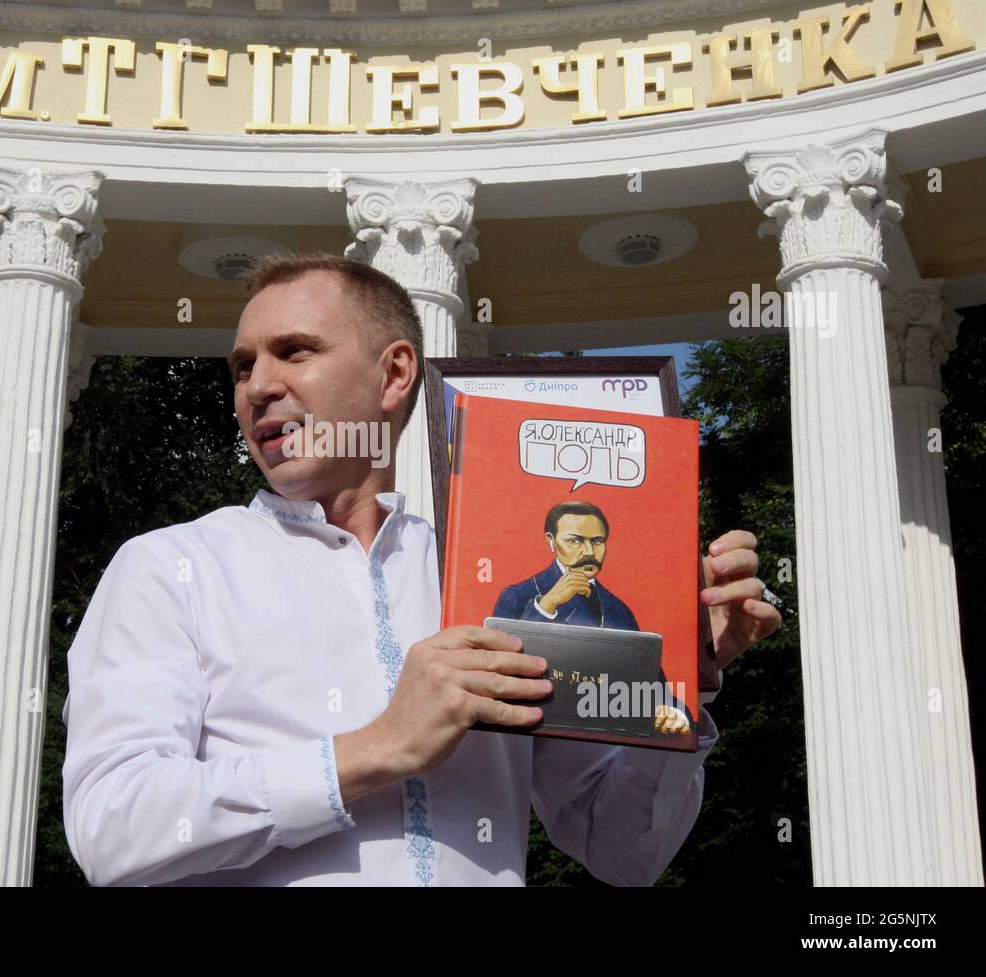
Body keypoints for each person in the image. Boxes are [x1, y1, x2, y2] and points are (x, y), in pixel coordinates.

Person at [61, 252, 781, 886]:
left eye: (294, 352)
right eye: (243, 365)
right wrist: (374, 749)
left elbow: (623, 850)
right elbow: (109, 827)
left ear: (395, 373)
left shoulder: (489, 576)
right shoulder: (172, 568)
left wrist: (685, 675)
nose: (257, 386)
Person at [492, 499, 692, 737]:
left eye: (597, 541)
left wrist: (674, 713)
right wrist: (547, 605)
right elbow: (497, 678)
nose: (588, 552)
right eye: (575, 541)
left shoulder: (619, 611)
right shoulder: (519, 596)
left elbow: (654, 688)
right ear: (551, 541)